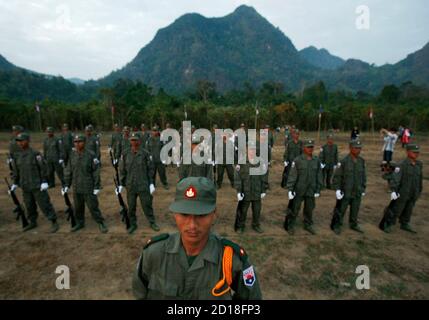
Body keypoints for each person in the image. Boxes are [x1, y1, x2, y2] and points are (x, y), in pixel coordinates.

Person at [132, 177, 262, 300]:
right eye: (184, 214)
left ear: (214, 214)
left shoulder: (231, 260)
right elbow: (140, 293)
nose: (192, 225)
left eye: (201, 215)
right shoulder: (154, 253)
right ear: (175, 214)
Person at [11, 133, 59, 233]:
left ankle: (53, 221)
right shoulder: (17, 156)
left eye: (22, 141)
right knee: (29, 205)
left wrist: (44, 181)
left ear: (28, 141)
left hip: (37, 185)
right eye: (18, 141)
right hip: (25, 185)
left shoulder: (35, 154)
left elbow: (43, 168)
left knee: (44, 204)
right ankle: (32, 221)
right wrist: (15, 182)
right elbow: (16, 170)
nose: (20, 143)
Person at [63, 134, 108, 233]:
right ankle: (80, 223)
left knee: (93, 206)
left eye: (80, 141)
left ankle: (100, 222)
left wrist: (97, 185)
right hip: (76, 186)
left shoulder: (91, 155)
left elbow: (96, 171)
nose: (77, 144)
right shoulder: (72, 155)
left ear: (84, 142)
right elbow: (68, 170)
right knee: (78, 207)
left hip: (88, 186)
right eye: (75, 142)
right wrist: (66, 184)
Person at [118, 133, 160, 234]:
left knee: (147, 204)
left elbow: (151, 169)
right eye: (132, 140)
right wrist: (121, 183)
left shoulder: (145, 153)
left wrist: (151, 183)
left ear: (139, 141)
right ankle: (133, 223)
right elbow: (122, 169)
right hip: (130, 184)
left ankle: (152, 221)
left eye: (136, 140)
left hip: (143, 184)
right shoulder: (125, 154)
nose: (134, 142)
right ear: (130, 141)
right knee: (131, 206)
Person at [382, 144, 423, 234]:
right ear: (408, 152)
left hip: (413, 192)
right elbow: (396, 179)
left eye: (417, 152)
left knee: (409, 208)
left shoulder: (419, 164)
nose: (416, 154)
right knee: (397, 209)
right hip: (403, 192)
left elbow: (420, 179)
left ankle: (405, 223)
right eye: (414, 152)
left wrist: (419, 190)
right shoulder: (401, 165)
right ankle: (389, 223)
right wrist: (393, 190)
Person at [285, 139, 323, 235]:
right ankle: (290, 225)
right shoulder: (297, 160)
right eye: (308, 147)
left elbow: (319, 175)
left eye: (311, 147)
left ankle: (308, 224)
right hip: (299, 190)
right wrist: (290, 189)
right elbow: (292, 176)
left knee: (309, 209)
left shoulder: (316, 160)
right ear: (303, 148)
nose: (310, 149)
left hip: (311, 189)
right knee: (294, 209)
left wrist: (318, 189)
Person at [331, 140, 367, 234]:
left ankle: (353, 224)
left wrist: (363, 187)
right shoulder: (344, 162)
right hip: (346, 191)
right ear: (350, 148)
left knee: (355, 209)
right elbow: (337, 177)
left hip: (357, 190)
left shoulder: (361, 161)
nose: (358, 150)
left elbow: (363, 176)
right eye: (356, 148)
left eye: (359, 148)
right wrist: (338, 189)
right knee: (341, 210)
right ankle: (336, 225)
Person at [234, 143, 268, 234]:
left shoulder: (260, 161)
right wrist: (239, 191)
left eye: (253, 149)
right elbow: (238, 178)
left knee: (257, 210)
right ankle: (241, 226)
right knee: (243, 210)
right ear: (246, 150)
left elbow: (264, 176)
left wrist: (263, 189)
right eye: (250, 149)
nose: (252, 151)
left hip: (257, 191)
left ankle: (256, 225)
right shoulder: (241, 162)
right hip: (246, 191)